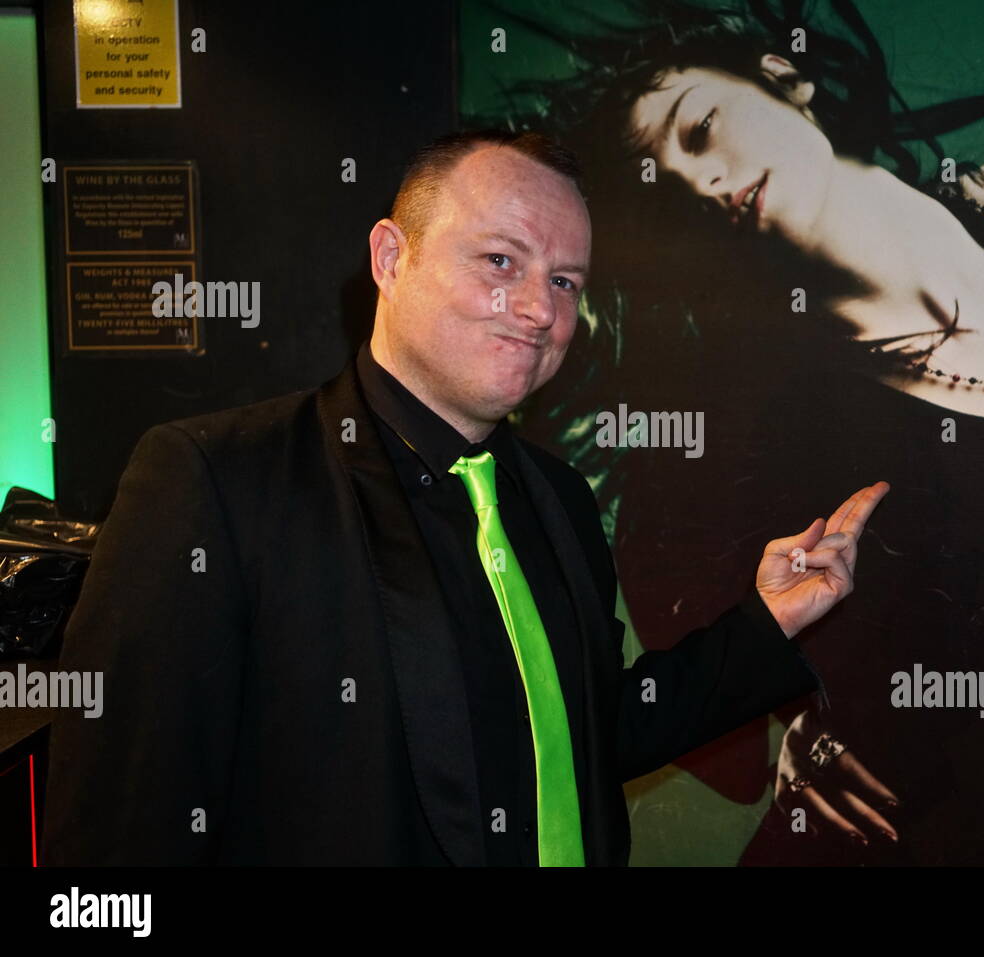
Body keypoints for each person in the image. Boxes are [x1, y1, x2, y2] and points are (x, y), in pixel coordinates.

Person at [473, 0, 984, 864]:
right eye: (668, 196)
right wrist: (806, 722)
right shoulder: (782, 429)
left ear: (782, 77)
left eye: (700, 129)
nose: (702, 185)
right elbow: (725, 715)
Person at [39, 128, 892, 866]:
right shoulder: (218, 480)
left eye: (565, 282)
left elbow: (592, 737)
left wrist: (766, 622)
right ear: (389, 257)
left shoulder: (556, 496)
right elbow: (118, 839)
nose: (536, 308)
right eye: (500, 261)